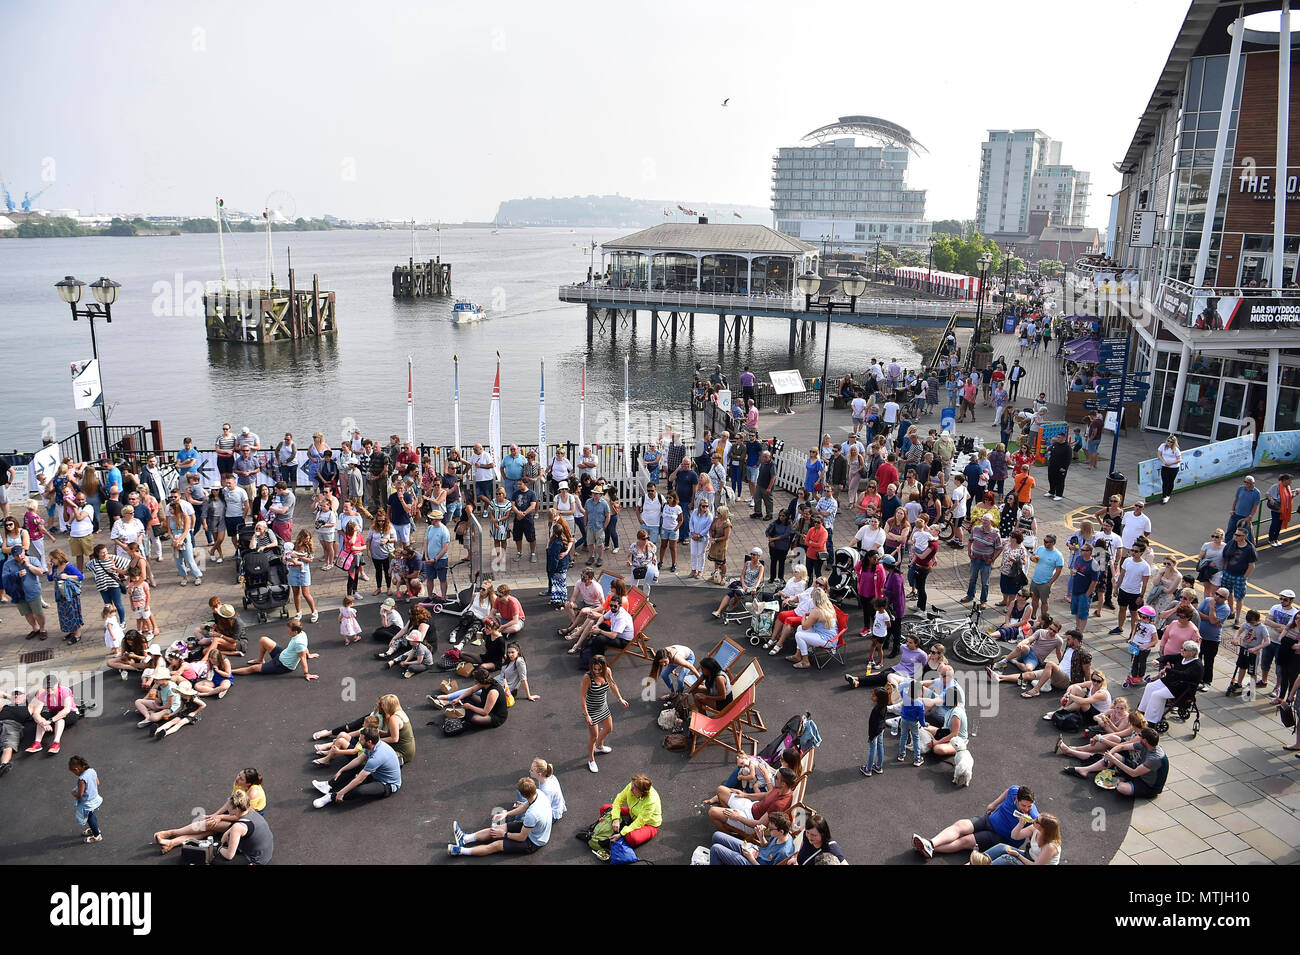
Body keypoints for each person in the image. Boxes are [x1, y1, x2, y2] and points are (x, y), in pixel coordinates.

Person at [912, 785, 1039, 858]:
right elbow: (1008, 791)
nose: (1026, 809)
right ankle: (930, 843)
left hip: (1000, 837)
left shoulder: (1033, 816)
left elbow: (1040, 831)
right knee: (960, 824)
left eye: (1029, 806)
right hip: (989, 820)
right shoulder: (1014, 791)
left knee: (965, 840)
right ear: (1017, 798)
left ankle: (930, 849)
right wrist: (994, 804)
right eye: (1024, 805)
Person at [448, 777, 551, 857]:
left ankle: (460, 851)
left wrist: (504, 834)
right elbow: (525, 806)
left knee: (496, 845)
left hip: (533, 842)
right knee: (495, 829)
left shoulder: (532, 815)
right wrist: (505, 814)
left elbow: (522, 837)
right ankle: (464, 839)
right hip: (533, 829)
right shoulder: (539, 794)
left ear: (523, 795)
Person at [1063, 727, 1169, 798]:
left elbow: (1134, 773)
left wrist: (1113, 760)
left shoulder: (1154, 759)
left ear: (1145, 740)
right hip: (1139, 771)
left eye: (1140, 736)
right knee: (1113, 756)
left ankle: (1123, 779)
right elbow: (1122, 746)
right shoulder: (1146, 745)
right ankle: (1084, 770)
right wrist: (1110, 754)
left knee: (1121, 788)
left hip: (1148, 785)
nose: (1138, 736)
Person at [311, 725, 402, 808]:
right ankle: (328, 785)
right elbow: (358, 760)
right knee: (353, 767)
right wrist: (341, 770)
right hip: (376, 773)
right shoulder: (373, 746)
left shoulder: (377, 757)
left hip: (386, 784)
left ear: (369, 742)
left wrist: (341, 793)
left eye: (361, 739)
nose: (359, 740)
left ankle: (331, 796)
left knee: (360, 791)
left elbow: (359, 780)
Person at [1136, 640, 1203, 726]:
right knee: (1150, 686)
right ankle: (1142, 710)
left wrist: (1167, 670)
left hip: (1182, 688)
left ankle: (1152, 720)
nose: (1182, 650)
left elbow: (1184, 675)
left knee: (1156, 695)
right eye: (1182, 648)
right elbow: (1169, 657)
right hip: (1171, 681)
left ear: (1192, 653)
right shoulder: (1182, 657)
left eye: (1184, 649)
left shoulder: (1197, 665)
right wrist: (1158, 660)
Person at [581, 655, 629, 773]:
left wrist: (620, 699)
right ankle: (591, 760)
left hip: (603, 707)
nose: (597, 672)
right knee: (593, 737)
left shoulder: (607, 671)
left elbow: (612, 684)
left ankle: (599, 746)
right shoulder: (587, 677)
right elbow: (582, 696)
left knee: (608, 728)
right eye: (594, 669)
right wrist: (586, 715)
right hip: (592, 710)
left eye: (599, 669)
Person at [231, 619, 319, 680]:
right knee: (263, 640)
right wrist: (309, 655)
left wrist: (306, 673)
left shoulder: (299, 643)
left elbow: (302, 657)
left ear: (295, 631)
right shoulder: (302, 633)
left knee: (253, 668)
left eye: (289, 630)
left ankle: (230, 671)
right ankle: (260, 659)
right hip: (282, 655)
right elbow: (304, 647)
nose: (287, 631)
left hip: (283, 666)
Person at [708, 811, 796, 866]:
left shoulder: (783, 853)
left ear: (781, 831)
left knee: (715, 849)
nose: (768, 830)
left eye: (771, 829)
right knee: (717, 835)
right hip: (754, 852)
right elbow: (767, 847)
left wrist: (751, 859)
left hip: (752, 862)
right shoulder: (781, 836)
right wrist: (761, 837)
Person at [1110, 538, 1152, 637]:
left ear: (1141, 553)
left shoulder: (1145, 566)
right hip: (1123, 590)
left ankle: (1133, 633)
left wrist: (1141, 596)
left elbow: (1145, 584)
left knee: (1134, 614)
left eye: (1136, 551)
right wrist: (1116, 588)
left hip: (1135, 593)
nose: (1133, 553)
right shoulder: (1127, 561)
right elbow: (1121, 575)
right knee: (1122, 609)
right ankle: (1120, 627)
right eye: (1132, 550)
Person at [984, 813, 1062, 866]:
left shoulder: (1050, 847)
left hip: (1033, 863)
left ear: (1044, 828)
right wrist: (1020, 824)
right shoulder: (1035, 829)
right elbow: (1014, 836)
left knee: (1006, 858)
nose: (1034, 820)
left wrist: (1018, 855)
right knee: (1001, 847)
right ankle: (977, 860)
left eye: (1037, 821)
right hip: (1028, 856)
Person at [1219, 525, 1258, 624]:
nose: (1235, 536)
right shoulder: (1232, 543)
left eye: (1238, 535)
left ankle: (1237, 618)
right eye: (1235, 534)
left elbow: (1252, 565)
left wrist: (1244, 577)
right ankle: (1231, 612)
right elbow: (1226, 557)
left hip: (1240, 576)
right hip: (1228, 573)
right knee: (1228, 594)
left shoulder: (1249, 549)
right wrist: (1225, 569)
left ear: (1244, 537)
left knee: (1239, 598)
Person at [1226, 609, 1269, 696]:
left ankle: (1252, 688)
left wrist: (1256, 648)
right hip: (1244, 648)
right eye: (1249, 623)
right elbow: (1239, 631)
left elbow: (1267, 642)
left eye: (1252, 623)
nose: (1250, 624)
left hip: (1253, 652)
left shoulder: (1262, 628)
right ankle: (1239, 683)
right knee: (1241, 666)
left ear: (1258, 620)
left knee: (1252, 671)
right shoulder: (1247, 624)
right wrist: (1235, 638)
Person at [68, 755, 104, 844]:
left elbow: (80, 794)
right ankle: (95, 829)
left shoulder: (81, 779)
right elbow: (97, 782)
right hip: (95, 798)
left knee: (89, 817)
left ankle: (97, 835)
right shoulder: (92, 771)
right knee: (91, 815)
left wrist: (74, 793)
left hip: (87, 803)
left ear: (76, 769)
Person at [1226, 475, 1262, 541]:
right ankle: (1226, 546)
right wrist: (1232, 510)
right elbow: (1236, 500)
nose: (1246, 483)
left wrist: (1250, 516)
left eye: (1248, 482)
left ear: (1253, 483)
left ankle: (1246, 548)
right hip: (1235, 514)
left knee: (1245, 534)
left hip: (1245, 517)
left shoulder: (1257, 493)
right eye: (1245, 482)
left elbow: (1255, 506)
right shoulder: (1240, 488)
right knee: (1230, 531)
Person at [1265, 473, 1294, 547]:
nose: (1291, 482)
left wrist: (1294, 495)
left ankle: (1275, 539)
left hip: (1284, 510)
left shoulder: (1288, 487)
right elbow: (1267, 494)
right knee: (1274, 524)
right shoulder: (1276, 486)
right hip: (1277, 510)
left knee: (1279, 525)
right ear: (1285, 480)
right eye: (1290, 480)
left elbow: (1288, 498)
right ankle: (1271, 539)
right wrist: (1271, 499)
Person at [1157, 435, 1182, 503]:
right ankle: (1164, 496)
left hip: (1174, 468)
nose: (1169, 443)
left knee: (1170, 482)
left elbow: (1179, 459)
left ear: (1173, 443)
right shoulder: (1162, 446)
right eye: (1168, 441)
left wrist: (1171, 463)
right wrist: (1164, 461)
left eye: (1171, 442)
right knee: (1165, 482)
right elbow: (1159, 454)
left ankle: (1168, 495)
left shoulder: (1176, 449)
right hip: (1165, 467)